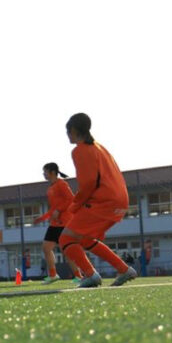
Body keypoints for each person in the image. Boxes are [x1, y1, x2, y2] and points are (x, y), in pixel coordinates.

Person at [58, 113, 137, 287]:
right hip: (120, 201)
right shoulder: (99, 147)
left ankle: (90, 275)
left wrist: (75, 206)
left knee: (65, 240)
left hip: (104, 201)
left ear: (73, 130)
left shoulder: (80, 150)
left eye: (67, 131)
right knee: (85, 240)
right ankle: (124, 269)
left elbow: (88, 183)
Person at [33, 162, 83, 285]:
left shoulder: (62, 184)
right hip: (55, 224)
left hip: (65, 223)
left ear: (52, 172)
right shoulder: (50, 188)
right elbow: (53, 208)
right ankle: (53, 275)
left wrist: (59, 210)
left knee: (67, 251)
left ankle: (79, 276)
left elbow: (71, 199)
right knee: (46, 248)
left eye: (45, 172)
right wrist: (43, 218)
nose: (43, 174)